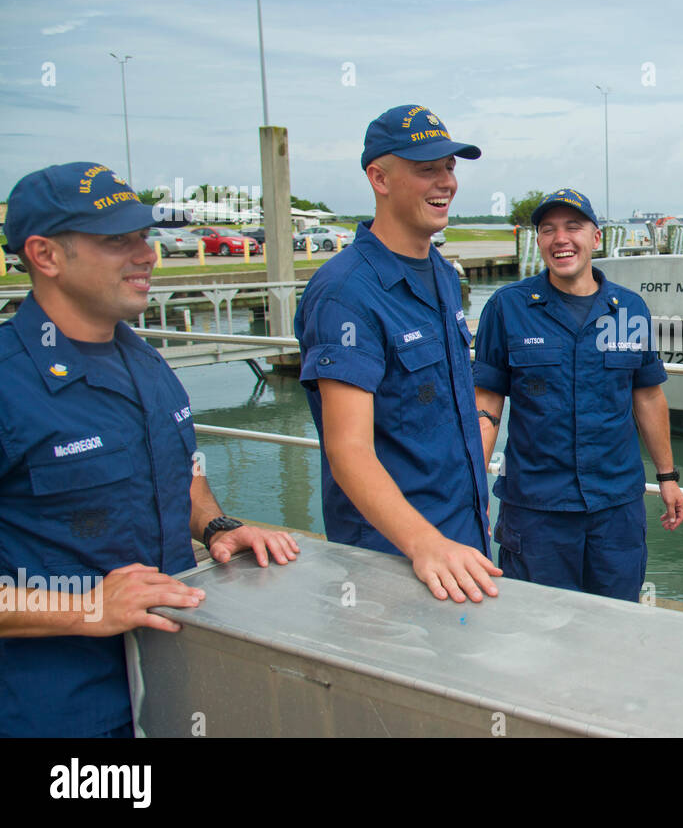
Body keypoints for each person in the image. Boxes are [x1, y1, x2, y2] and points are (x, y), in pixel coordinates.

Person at [0, 162, 298, 738]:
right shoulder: (9, 384)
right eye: (118, 240)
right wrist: (85, 607)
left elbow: (178, 470)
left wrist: (216, 525)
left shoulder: (146, 362)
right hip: (59, 715)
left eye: (145, 235)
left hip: (175, 685)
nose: (147, 254)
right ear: (45, 255)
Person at [294, 105, 501, 604]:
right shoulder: (346, 292)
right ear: (379, 178)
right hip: (395, 562)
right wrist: (425, 543)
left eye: (450, 167)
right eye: (426, 168)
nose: (446, 181)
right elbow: (349, 451)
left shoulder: (444, 276)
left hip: (462, 543)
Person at [473, 188, 683, 601]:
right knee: (536, 629)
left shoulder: (628, 309)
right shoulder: (507, 308)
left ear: (596, 238)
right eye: (548, 229)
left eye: (574, 227)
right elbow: (486, 404)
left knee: (615, 624)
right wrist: (475, 492)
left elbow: (647, 397)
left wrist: (667, 477)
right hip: (537, 511)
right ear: (539, 241)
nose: (561, 239)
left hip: (615, 510)